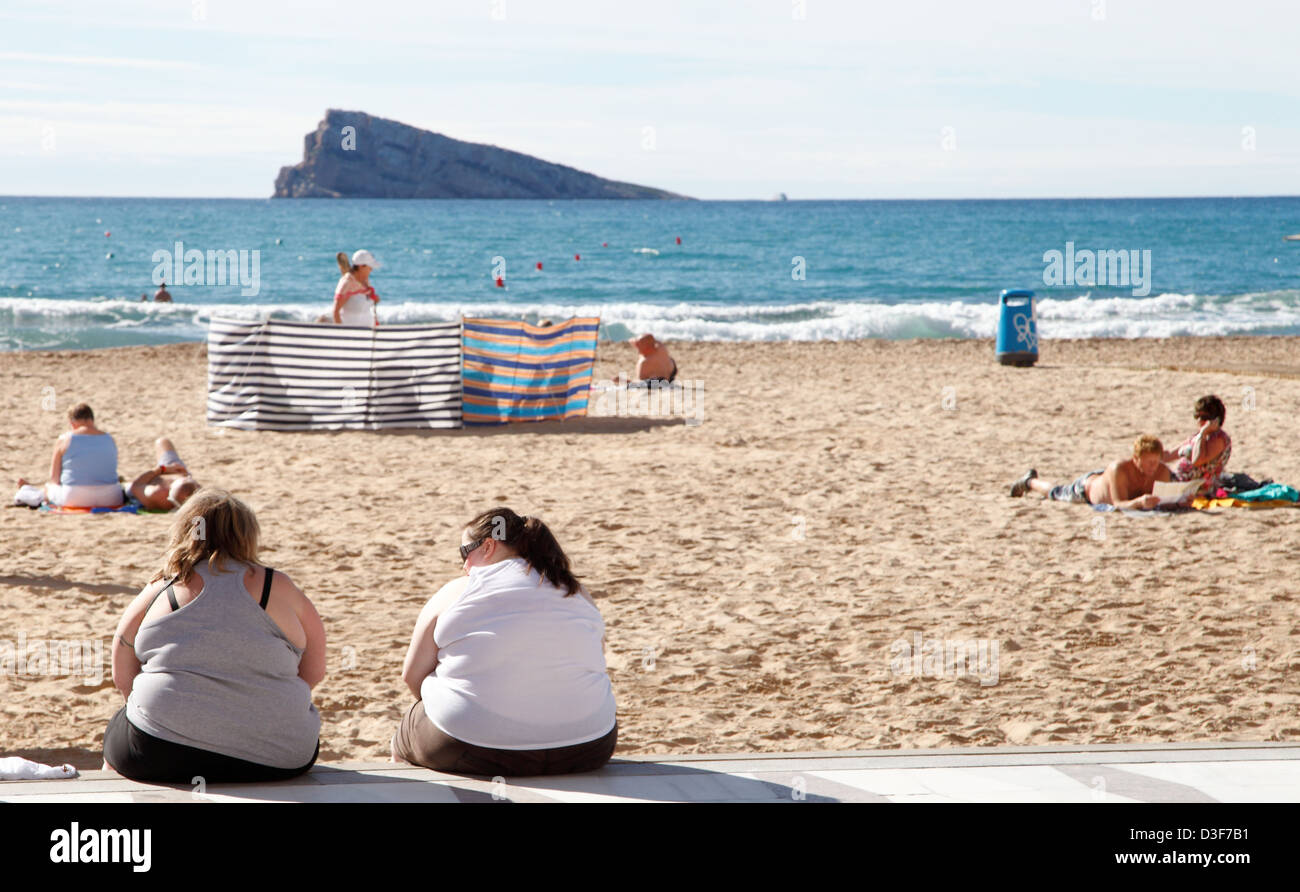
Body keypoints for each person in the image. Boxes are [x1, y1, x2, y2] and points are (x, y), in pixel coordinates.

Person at [104, 489, 325, 783]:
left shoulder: (162, 587)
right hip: (280, 754)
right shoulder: (279, 586)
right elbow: (314, 671)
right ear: (247, 535)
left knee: (116, 741)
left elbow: (122, 667)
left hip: (156, 750)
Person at [392, 508, 618, 776]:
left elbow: (412, 676)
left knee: (404, 735)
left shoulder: (458, 590)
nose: (465, 566)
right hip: (589, 746)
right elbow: (593, 657)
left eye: (465, 553)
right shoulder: (575, 590)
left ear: (488, 546)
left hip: (469, 747)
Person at [1010, 435, 1171, 510]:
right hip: (1086, 489)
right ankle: (1030, 482)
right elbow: (1118, 503)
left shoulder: (1162, 471)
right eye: (1149, 462)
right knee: (1055, 492)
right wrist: (1139, 502)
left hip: (1105, 479)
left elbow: (1167, 500)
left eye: (1156, 462)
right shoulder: (1120, 469)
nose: (1153, 466)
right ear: (1135, 459)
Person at [16, 403, 123, 508]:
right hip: (111, 497)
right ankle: (28, 488)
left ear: (72, 423)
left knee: (48, 488)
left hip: (74, 497)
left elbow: (54, 478)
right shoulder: (109, 439)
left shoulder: (65, 439)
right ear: (92, 420)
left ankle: (26, 490)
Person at [1163, 395, 1231, 496]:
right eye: (1197, 416)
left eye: (1204, 418)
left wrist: (1203, 433)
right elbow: (1170, 455)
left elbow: (1197, 460)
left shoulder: (1218, 439)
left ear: (1216, 420)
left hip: (1196, 487)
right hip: (1180, 480)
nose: (1199, 421)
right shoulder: (1198, 436)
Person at [126, 437, 201, 510]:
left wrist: (161, 469)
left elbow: (135, 486)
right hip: (172, 470)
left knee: (125, 488)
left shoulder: (156, 493)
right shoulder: (193, 489)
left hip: (153, 478)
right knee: (162, 441)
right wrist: (184, 473)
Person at [332, 249, 381, 327]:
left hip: (368, 330)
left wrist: (374, 300)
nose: (371, 270)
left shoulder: (365, 281)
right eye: (370, 267)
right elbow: (335, 312)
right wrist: (341, 334)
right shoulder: (347, 283)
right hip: (352, 333)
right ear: (361, 266)